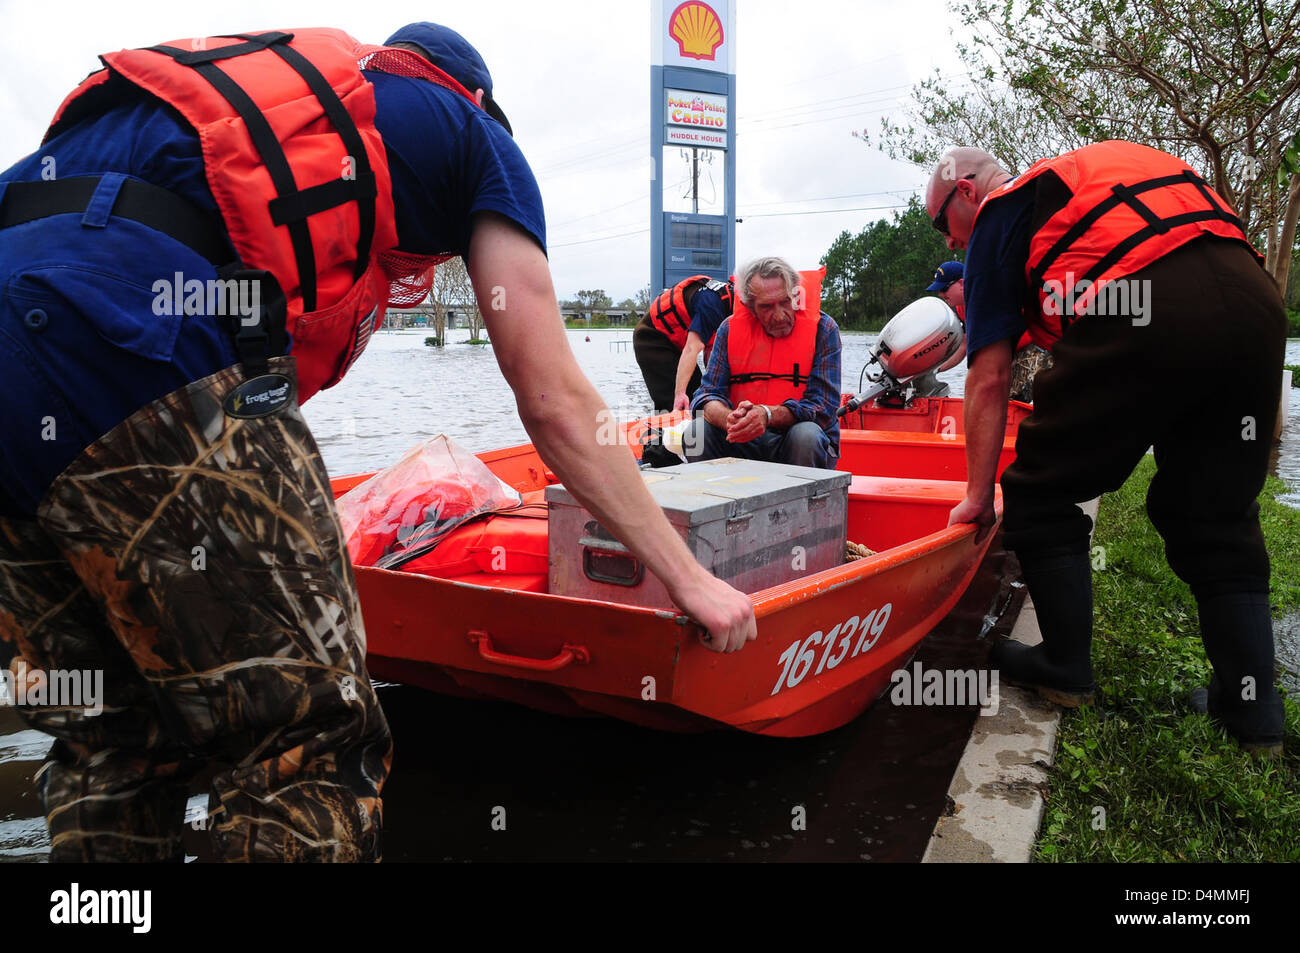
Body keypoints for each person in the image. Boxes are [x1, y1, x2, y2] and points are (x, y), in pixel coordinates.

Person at [0, 23, 756, 863]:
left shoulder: (280, 104)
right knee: (305, 749)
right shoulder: (476, 141)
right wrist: (689, 579)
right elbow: (555, 401)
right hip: (129, 336)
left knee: (115, 743)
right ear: (477, 100)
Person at [932, 141, 1286, 755]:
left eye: (942, 226)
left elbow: (987, 376)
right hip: (1254, 304)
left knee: (1038, 492)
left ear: (965, 191)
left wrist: (975, 496)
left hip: (1144, 299)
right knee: (1216, 513)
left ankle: (1065, 667)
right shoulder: (1098, 172)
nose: (949, 245)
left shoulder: (1001, 209)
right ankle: (1253, 715)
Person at [682, 257, 841, 469]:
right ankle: (712, 499)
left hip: (795, 440)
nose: (779, 315)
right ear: (750, 307)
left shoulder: (824, 329)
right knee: (696, 433)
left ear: (795, 295)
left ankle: (802, 501)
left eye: (785, 302)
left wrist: (767, 415)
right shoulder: (728, 330)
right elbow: (705, 395)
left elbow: (823, 406)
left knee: (806, 435)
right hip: (741, 442)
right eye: (766, 307)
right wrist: (730, 419)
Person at [925, 259, 1051, 402]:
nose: (940, 295)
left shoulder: (989, 294)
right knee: (990, 399)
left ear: (961, 283)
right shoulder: (961, 308)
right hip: (1009, 355)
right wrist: (934, 370)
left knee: (1005, 401)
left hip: (1035, 348)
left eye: (944, 289)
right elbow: (964, 346)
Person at [634, 274, 734, 411]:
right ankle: (668, 427)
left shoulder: (729, 303)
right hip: (651, 339)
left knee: (700, 397)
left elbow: (711, 353)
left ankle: (695, 428)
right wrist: (680, 394)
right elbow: (691, 349)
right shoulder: (712, 304)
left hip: (676, 344)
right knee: (677, 402)